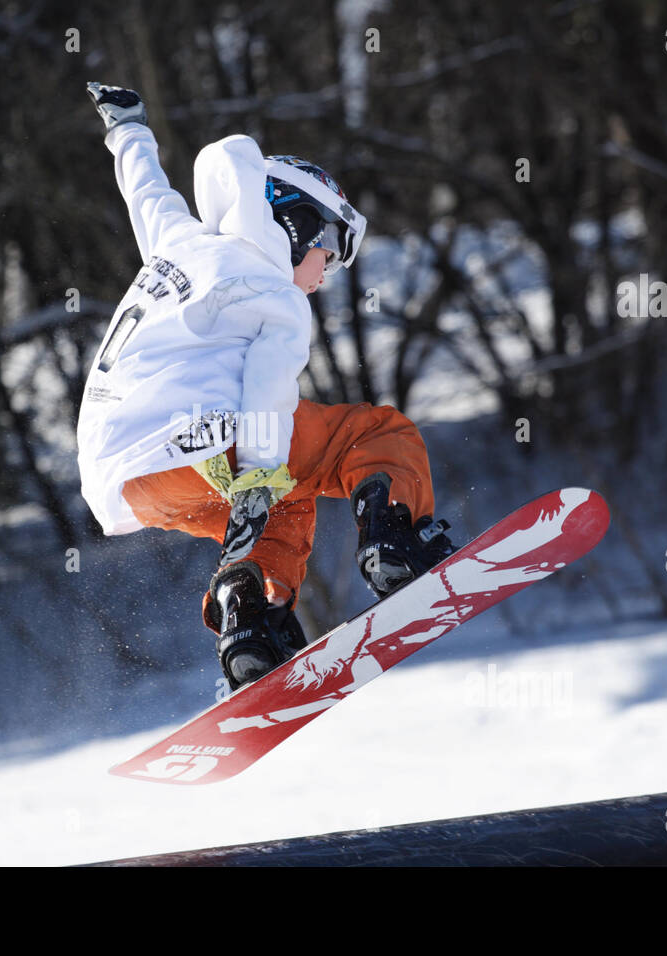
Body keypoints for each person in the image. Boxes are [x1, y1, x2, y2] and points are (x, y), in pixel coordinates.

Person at [78, 82, 454, 691]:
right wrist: (255, 474)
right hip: (206, 441)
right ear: (293, 224)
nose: (325, 274)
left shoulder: (182, 243)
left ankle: (251, 620)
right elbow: (267, 392)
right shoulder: (272, 291)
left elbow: (147, 194)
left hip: (126, 478)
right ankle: (394, 539)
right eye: (328, 252)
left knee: (288, 501)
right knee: (375, 433)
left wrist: (127, 129)